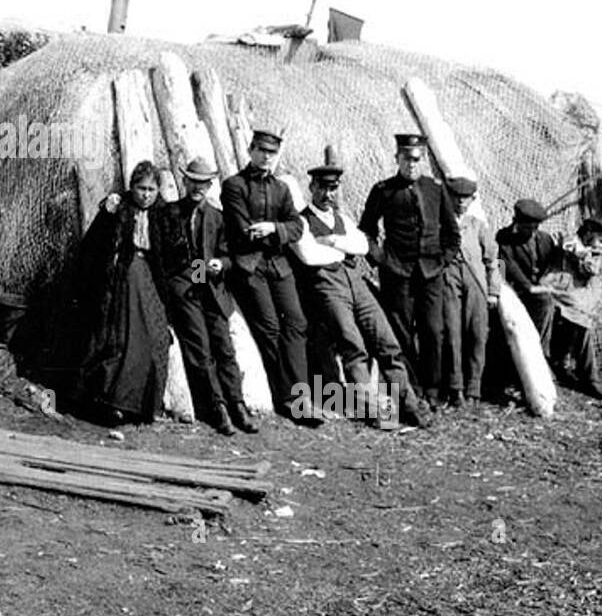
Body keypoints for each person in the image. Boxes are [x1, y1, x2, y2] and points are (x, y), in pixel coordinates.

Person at [289, 147, 430, 428]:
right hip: (329, 289)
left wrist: (333, 242)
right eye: (323, 189)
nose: (329, 195)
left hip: (357, 285)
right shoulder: (301, 221)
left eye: (334, 189)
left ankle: (409, 405)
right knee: (353, 348)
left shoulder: (343, 220)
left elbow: (363, 245)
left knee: (387, 343)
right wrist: (342, 248)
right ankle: (376, 411)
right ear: (312, 188)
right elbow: (309, 256)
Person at [222, 129, 321, 424]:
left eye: (272, 153)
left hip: (279, 266)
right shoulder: (233, 186)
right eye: (262, 150)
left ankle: (298, 396)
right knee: (269, 328)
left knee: (297, 323)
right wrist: (276, 232)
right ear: (250, 150)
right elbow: (243, 231)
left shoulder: (281, 188)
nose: (266, 157)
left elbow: (298, 227)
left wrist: (273, 229)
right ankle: (286, 399)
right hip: (250, 267)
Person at [155, 157, 258, 436]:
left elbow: (229, 256)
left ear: (210, 184)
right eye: (193, 181)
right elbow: (163, 257)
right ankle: (218, 408)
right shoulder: (170, 214)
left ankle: (238, 404)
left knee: (224, 348)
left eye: (203, 183)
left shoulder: (217, 217)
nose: (197, 187)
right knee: (200, 348)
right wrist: (176, 283)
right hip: (185, 288)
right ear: (184, 181)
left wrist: (219, 265)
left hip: (211, 288)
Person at [358, 133, 460, 406]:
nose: (411, 164)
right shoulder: (383, 190)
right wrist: (381, 260)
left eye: (416, 159)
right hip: (397, 273)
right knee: (400, 332)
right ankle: (409, 389)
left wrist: (443, 261)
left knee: (433, 330)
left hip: (430, 273)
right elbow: (366, 231)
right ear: (397, 159)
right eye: (406, 159)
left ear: (423, 159)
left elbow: (452, 233)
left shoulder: (435, 189)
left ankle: (433, 390)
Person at [74, 160, 173, 425]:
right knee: (125, 339)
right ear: (132, 188)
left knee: (156, 339)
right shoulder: (121, 207)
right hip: (124, 277)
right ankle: (115, 402)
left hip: (152, 279)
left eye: (152, 190)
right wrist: (107, 212)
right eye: (141, 189)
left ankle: (145, 405)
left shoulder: (163, 213)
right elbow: (94, 245)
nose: (146, 195)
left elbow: (175, 253)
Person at [496, 200, 602, 399]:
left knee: (581, 319)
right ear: (517, 222)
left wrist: (576, 254)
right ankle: (542, 361)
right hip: (518, 294)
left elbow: (560, 265)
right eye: (527, 227)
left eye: (535, 227)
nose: (532, 232)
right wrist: (532, 287)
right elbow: (508, 267)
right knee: (546, 303)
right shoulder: (504, 239)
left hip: (549, 293)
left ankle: (589, 378)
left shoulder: (545, 239)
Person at [442, 177, 501, 409]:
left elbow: (492, 261)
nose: (459, 202)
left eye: (464, 198)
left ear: (472, 199)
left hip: (476, 283)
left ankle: (474, 388)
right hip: (449, 281)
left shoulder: (477, 226)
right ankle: (455, 388)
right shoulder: (440, 225)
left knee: (477, 335)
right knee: (452, 333)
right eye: (455, 197)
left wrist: (493, 291)